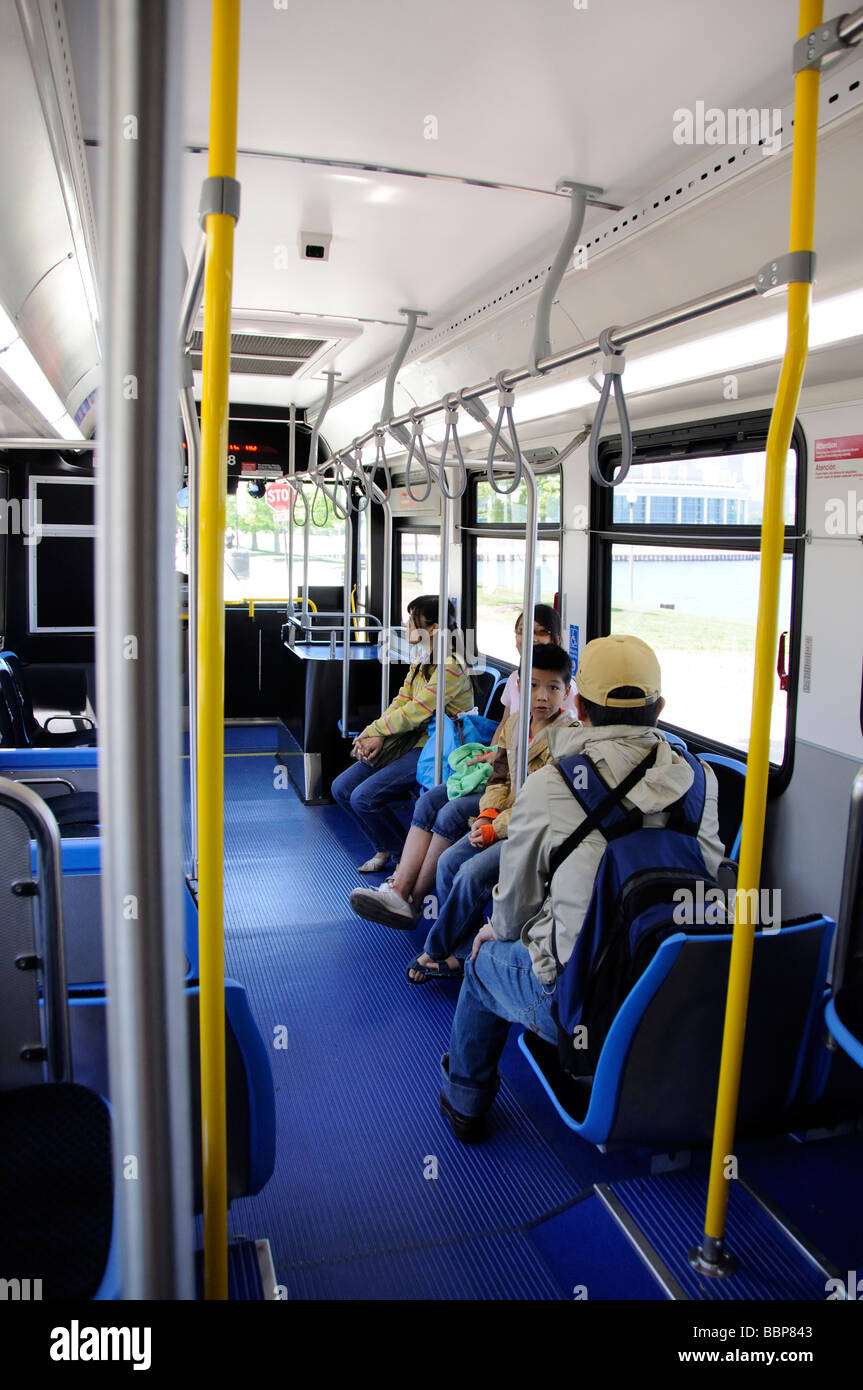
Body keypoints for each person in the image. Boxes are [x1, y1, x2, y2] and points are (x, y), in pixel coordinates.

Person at [437, 634, 726, 1141]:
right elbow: (705, 869)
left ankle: (465, 1100)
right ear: (659, 708)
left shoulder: (551, 785)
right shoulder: (700, 780)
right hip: (676, 986)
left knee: (483, 965)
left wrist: (494, 930)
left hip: (581, 996)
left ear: (580, 707)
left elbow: (517, 899)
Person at [344, 606, 564, 924]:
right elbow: (504, 729)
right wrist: (488, 757)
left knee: (447, 811)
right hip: (500, 772)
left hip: (522, 786)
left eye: (539, 633)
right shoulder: (516, 680)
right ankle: (400, 890)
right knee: (431, 800)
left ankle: (411, 898)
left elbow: (417, 711)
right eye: (522, 632)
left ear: (556, 638)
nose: (528, 640)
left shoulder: (559, 689)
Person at [331, 595, 473, 873]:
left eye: (413, 619)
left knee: (364, 797)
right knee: (342, 788)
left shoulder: (451, 666)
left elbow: (417, 711)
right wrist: (378, 735)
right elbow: (402, 702)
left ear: (432, 628)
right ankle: (386, 846)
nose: (407, 624)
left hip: (434, 747)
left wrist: (374, 730)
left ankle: (404, 858)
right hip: (410, 740)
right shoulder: (422, 660)